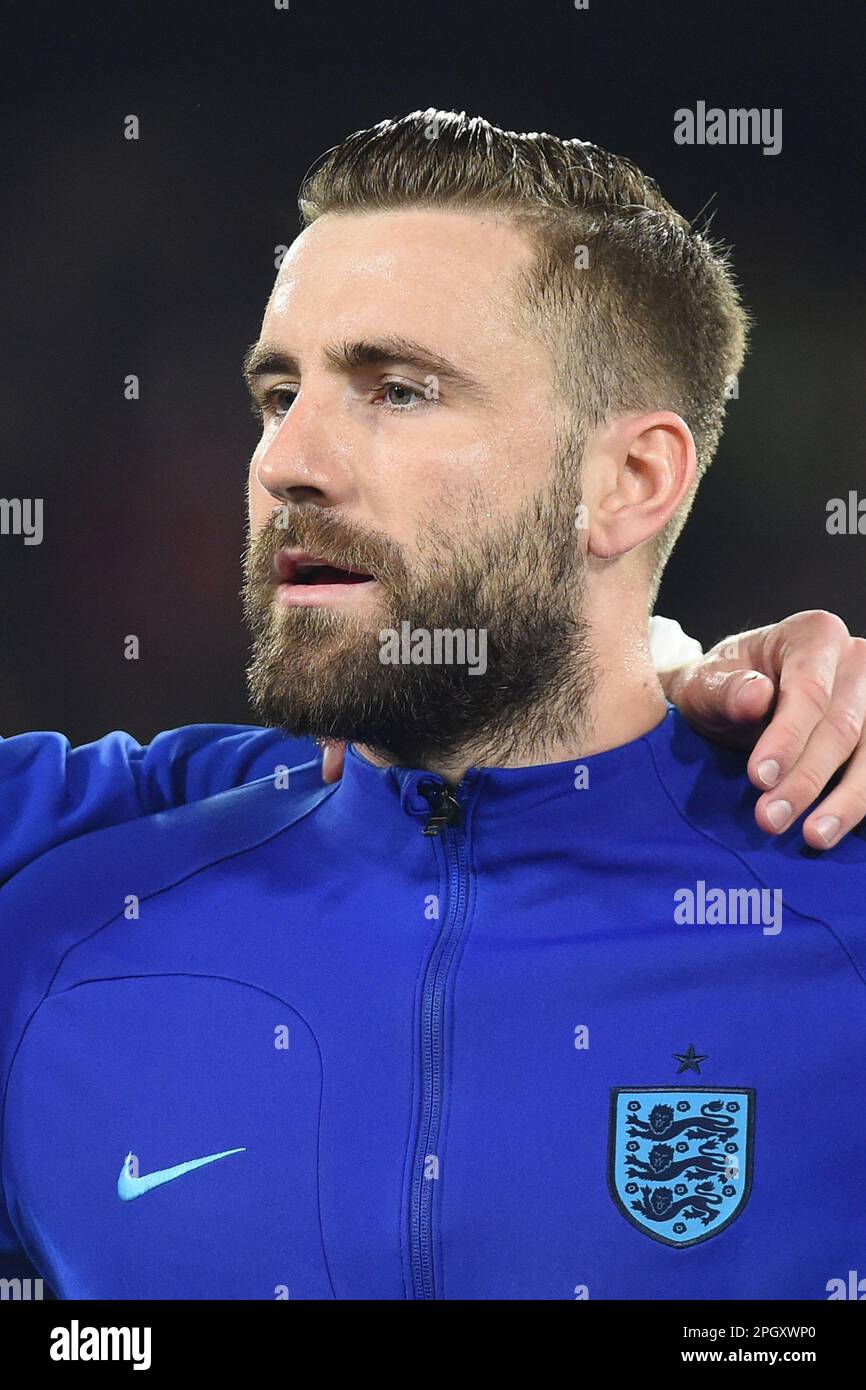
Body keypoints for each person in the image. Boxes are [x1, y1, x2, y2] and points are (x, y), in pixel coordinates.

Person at [1, 110, 863, 1300]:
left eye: (396, 390)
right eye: (277, 392)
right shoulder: (57, 913)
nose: (283, 461)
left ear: (628, 481)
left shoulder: (831, 910)